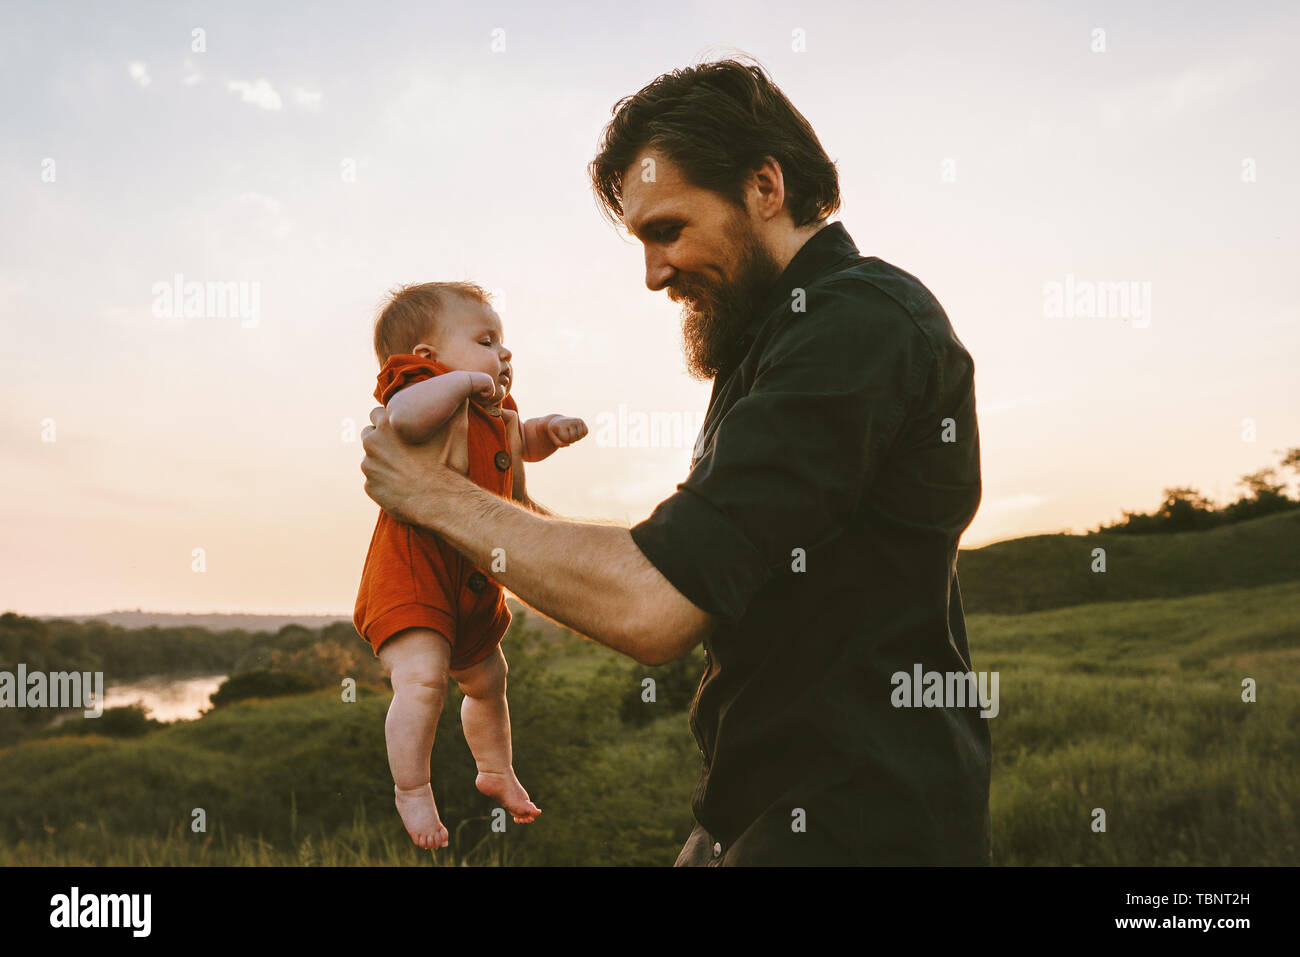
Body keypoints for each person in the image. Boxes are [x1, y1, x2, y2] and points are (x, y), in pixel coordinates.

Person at [360, 56, 992, 865]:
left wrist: (428, 496)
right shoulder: (773, 342)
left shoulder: (859, 323)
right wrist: (486, 484)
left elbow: (655, 603)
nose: (653, 273)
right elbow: (694, 571)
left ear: (765, 187)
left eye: (667, 229)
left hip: (863, 826)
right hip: (758, 819)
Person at [353, 280, 587, 849]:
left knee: (488, 681)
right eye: (485, 340)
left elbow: (515, 442)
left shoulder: (493, 405)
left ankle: (496, 769)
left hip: (476, 577)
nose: (503, 354)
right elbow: (405, 420)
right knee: (423, 679)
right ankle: (411, 788)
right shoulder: (418, 385)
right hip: (414, 572)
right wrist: (458, 383)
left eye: (503, 343)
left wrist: (546, 433)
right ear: (426, 358)